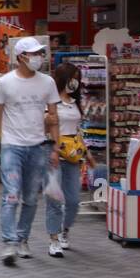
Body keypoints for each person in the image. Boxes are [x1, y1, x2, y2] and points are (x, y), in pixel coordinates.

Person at [0, 37, 61, 265]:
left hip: (38, 147)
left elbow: (54, 116)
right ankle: (9, 242)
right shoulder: (4, 83)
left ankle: (22, 239)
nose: (38, 57)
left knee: (30, 198)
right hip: (12, 147)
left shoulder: (48, 82)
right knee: (11, 195)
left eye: (40, 52)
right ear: (20, 57)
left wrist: (56, 147)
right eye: (33, 53)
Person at [46, 62, 92, 257]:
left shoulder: (75, 103)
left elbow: (78, 131)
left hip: (73, 156)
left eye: (77, 78)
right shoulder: (50, 102)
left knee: (73, 200)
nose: (76, 82)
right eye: (73, 77)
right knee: (54, 199)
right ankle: (54, 239)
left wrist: (87, 154)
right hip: (52, 154)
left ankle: (65, 230)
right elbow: (45, 127)